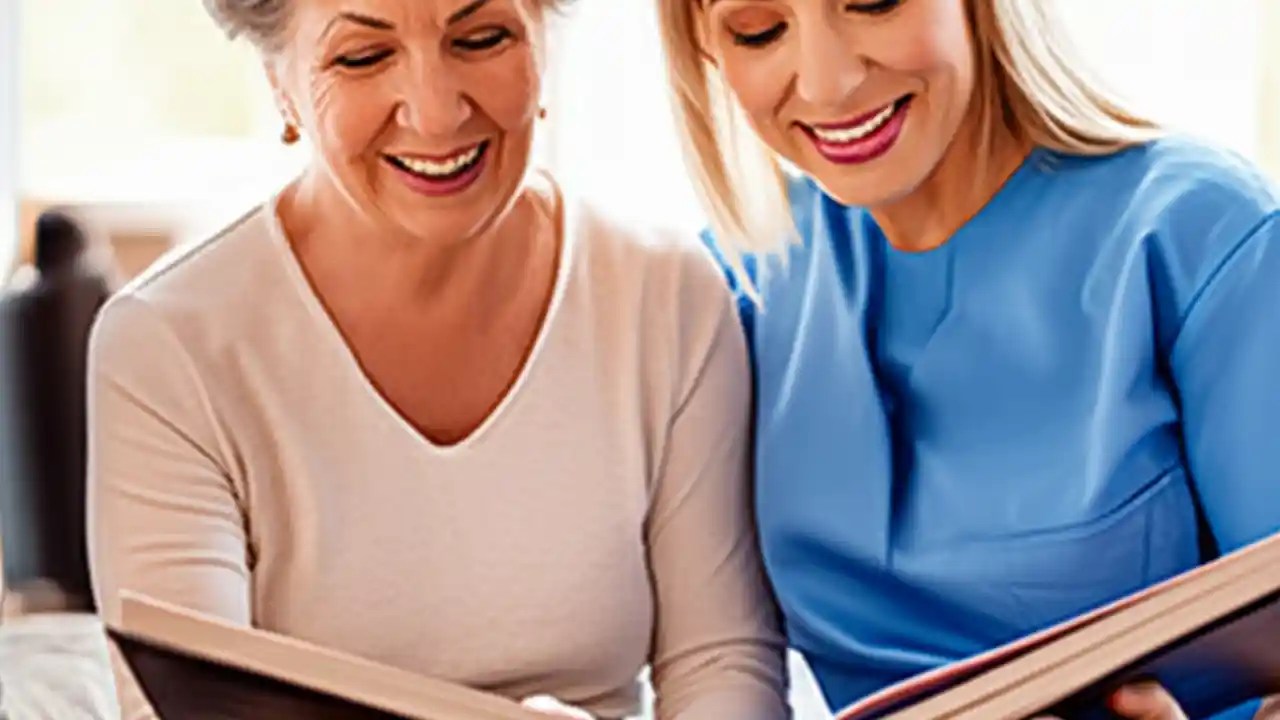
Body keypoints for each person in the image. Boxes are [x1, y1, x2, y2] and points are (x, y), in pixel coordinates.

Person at [86, 2, 789, 719]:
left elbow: (719, 662)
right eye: (362, 58)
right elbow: (185, 702)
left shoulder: (667, 295)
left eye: (482, 39)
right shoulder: (168, 344)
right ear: (280, 84)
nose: (435, 113)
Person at [652, 0, 1280, 718]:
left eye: (873, 3)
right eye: (759, 31)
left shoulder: (1198, 236)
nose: (826, 85)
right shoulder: (737, 286)